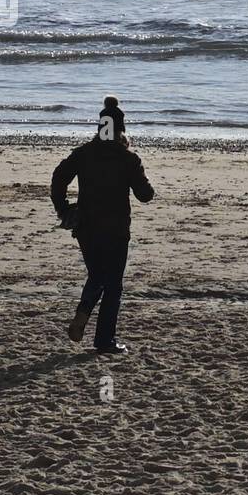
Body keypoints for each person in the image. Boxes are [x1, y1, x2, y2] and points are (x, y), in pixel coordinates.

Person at [51, 96, 155, 354]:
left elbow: (58, 178)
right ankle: (104, 340)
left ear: (100, 128)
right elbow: (145, 195)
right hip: (117, 229)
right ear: (121, 130)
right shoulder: (128, 159)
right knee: (113, 285)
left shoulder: (84, 153)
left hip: (87, 226)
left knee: (97, 275)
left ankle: (83, 313)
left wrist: (64, 209)